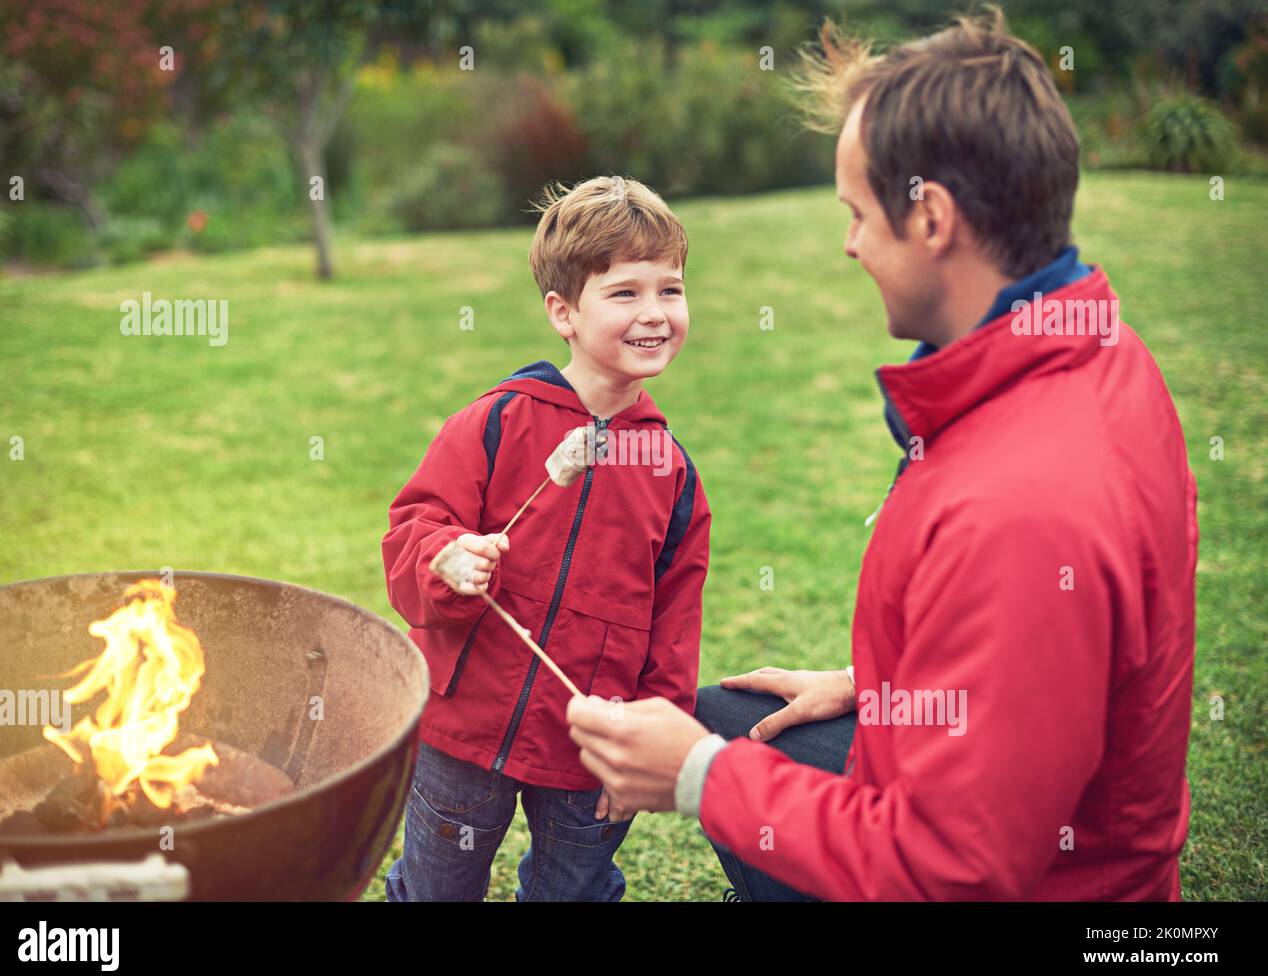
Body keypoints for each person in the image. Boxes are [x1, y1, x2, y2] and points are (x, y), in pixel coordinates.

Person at [567, 9, 1197, 901]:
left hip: (1059, 887)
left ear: (931, 217)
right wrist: (881, 688)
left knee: (711, 748)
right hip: (1003, 792)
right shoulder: (1100, 346)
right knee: (733, 716)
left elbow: (957, 872)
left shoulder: (1023, 507)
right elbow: (1052, 664)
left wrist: (698, 777)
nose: (849, 242)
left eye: (859, 213)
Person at [381, 175, 711, 901]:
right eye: (625, 293)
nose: (654, 313)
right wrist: (446, 560)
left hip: (590, 743)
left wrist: (653, 734)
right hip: (464, 726)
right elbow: (413, 533)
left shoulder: (672, 472)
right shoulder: (497, 422)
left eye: (671, 290)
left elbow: (675, 622)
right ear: (562, 311)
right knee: (438, 888)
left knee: (574, 890)